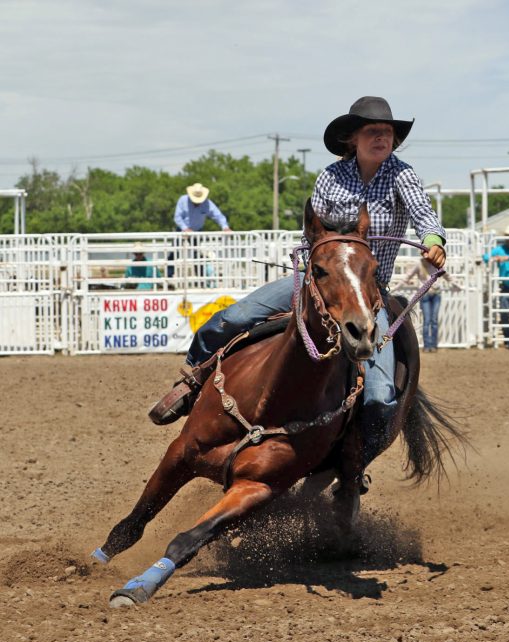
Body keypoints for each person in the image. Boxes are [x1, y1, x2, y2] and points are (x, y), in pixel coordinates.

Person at [149, 95, 447, 469]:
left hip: (367, 295)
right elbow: (312, 231)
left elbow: (425, 215)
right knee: (229, 320)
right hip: (315, 283)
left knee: (381, 396)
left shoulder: (403, 176)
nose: (381, 138)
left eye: (387, 132)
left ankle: (352, 464)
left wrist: (433, 242)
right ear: (352, 139)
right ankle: (192, 383)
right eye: (372, 131)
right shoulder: (330, 177)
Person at [397, 256, 460, 352]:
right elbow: (408, 277)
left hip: (435, 294)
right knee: (427, 320)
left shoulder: (436, 264)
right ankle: (428, 345)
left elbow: (447, 276)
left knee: (433, 320)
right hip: (425, 295)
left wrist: (456, 284)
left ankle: (433, 345)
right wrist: (397, 287)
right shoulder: (420, 264)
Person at [169, 184, 231, 279]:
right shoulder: (183, 200)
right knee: (174, 252)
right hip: (181, 230)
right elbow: (177, 217)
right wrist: (185, 228)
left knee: (198, 255)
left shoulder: (207, 203)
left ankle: (201, 279)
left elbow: (218, 215)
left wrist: (225, 227)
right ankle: (169, 277)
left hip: (197, 232)